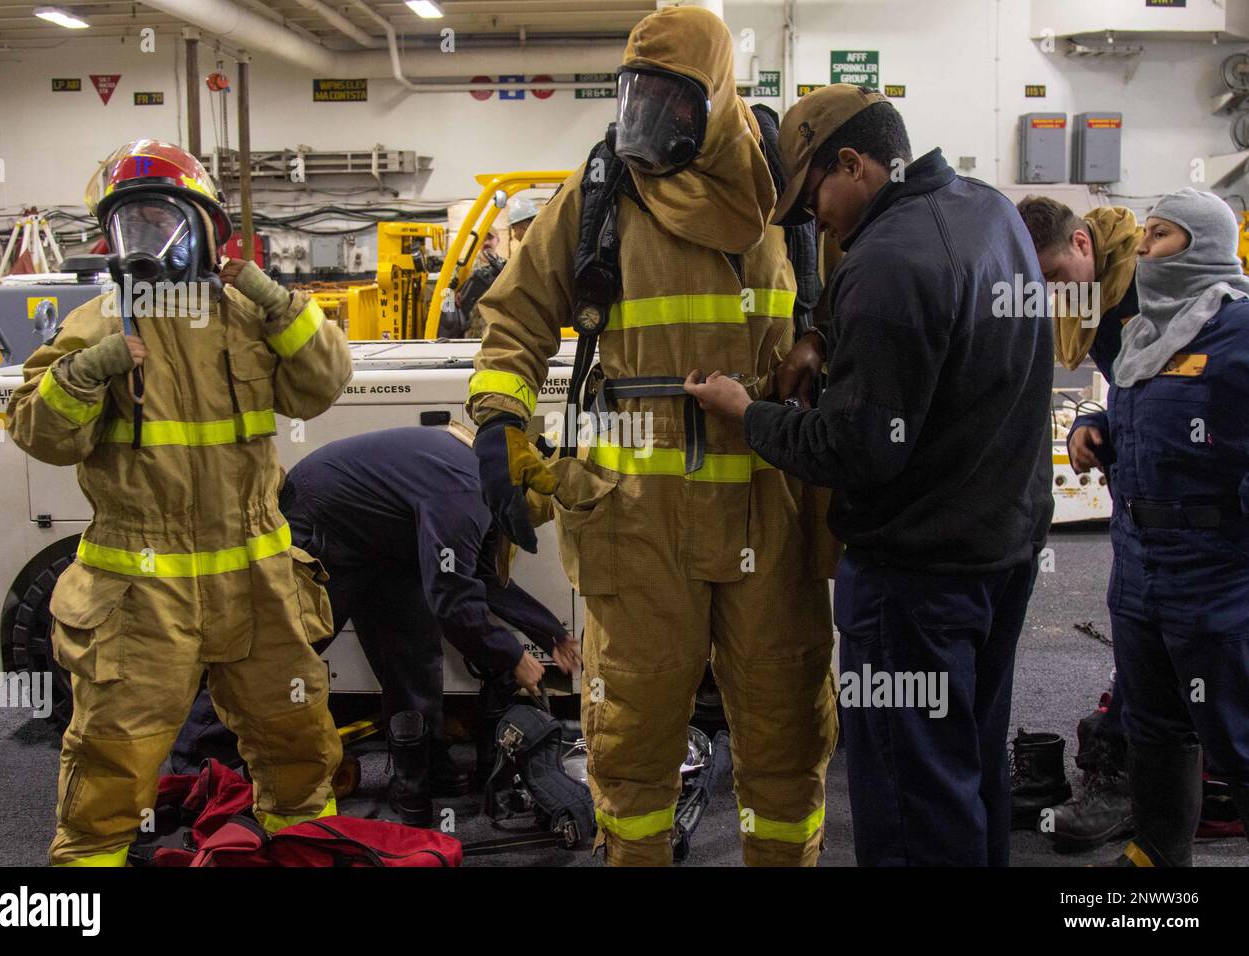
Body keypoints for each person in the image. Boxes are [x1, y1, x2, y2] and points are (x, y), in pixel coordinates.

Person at [467, 5, 838, 866]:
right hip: (637, 518)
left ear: (715, 99)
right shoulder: (599, 194)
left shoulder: (788, 197)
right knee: (630, 739)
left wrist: (822, 346)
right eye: (637, 97)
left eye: (672, 103)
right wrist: (498, 424)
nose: (649, 122)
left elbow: (861, 315)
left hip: (771, 509)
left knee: (785, 733)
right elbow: (514, 320)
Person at [685, 84, 1054, 866]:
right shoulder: (990, 213)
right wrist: (824, 336)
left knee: (909, 795)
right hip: (1003, 555)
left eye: (814, 196)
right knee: (972, 772)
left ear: (853, 163)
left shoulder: (885, 259)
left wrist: (743, 414)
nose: (816, 221)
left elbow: (856, 450)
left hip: (913, 583)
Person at [6, 139, 351, 866]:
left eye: (163, 221)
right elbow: (40, 434)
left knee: (296, 742)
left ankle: (303, 849)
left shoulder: (249, 317)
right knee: (112, 764)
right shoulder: (98, 326)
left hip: (257, 579)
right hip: (140, 590)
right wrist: (88, 372)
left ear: (207, 230)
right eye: (130, 225)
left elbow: (322, 381)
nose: (147, 243)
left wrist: (268, 292)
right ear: (109, 239)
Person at [1067, 187, 1249, 866]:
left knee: (1237, 733)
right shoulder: (1146, 331)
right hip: (1139, 566)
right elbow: (1142, 415)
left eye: (1164, 237)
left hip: (1216, 572)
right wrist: (1095, 426)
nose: (1144, 250)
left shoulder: (1238, 328)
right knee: (1155, 725)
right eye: (1148, 236)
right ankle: (1158, 861)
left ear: (1203, 246)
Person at [277, 423, 579, 824]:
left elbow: (482, 579)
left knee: (414, 654)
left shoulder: (484, 479)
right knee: (284, 656)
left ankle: (417, 784)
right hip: (322, 519)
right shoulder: (464, 493)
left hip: (385, 538)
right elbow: (453, 601)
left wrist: (551, 632)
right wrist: (512, 655)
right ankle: (206, 761)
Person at [1016, 195, 1144, 848]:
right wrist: (1096, 421)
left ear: (1084, 246)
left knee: (1179, 647)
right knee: (1141, 636)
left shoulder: (1147, 292)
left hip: (1193, 513)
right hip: (1145, 502)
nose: (1054, 298)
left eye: (1057, 279)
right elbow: (1132, 390)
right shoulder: (1103, 298)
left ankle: (1127, 784)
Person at [1016, 195, 1143, 380]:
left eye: (1052, 274)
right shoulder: (1085, 288)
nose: (1052, 290)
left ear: (1081, 243)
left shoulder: (1148, 275)